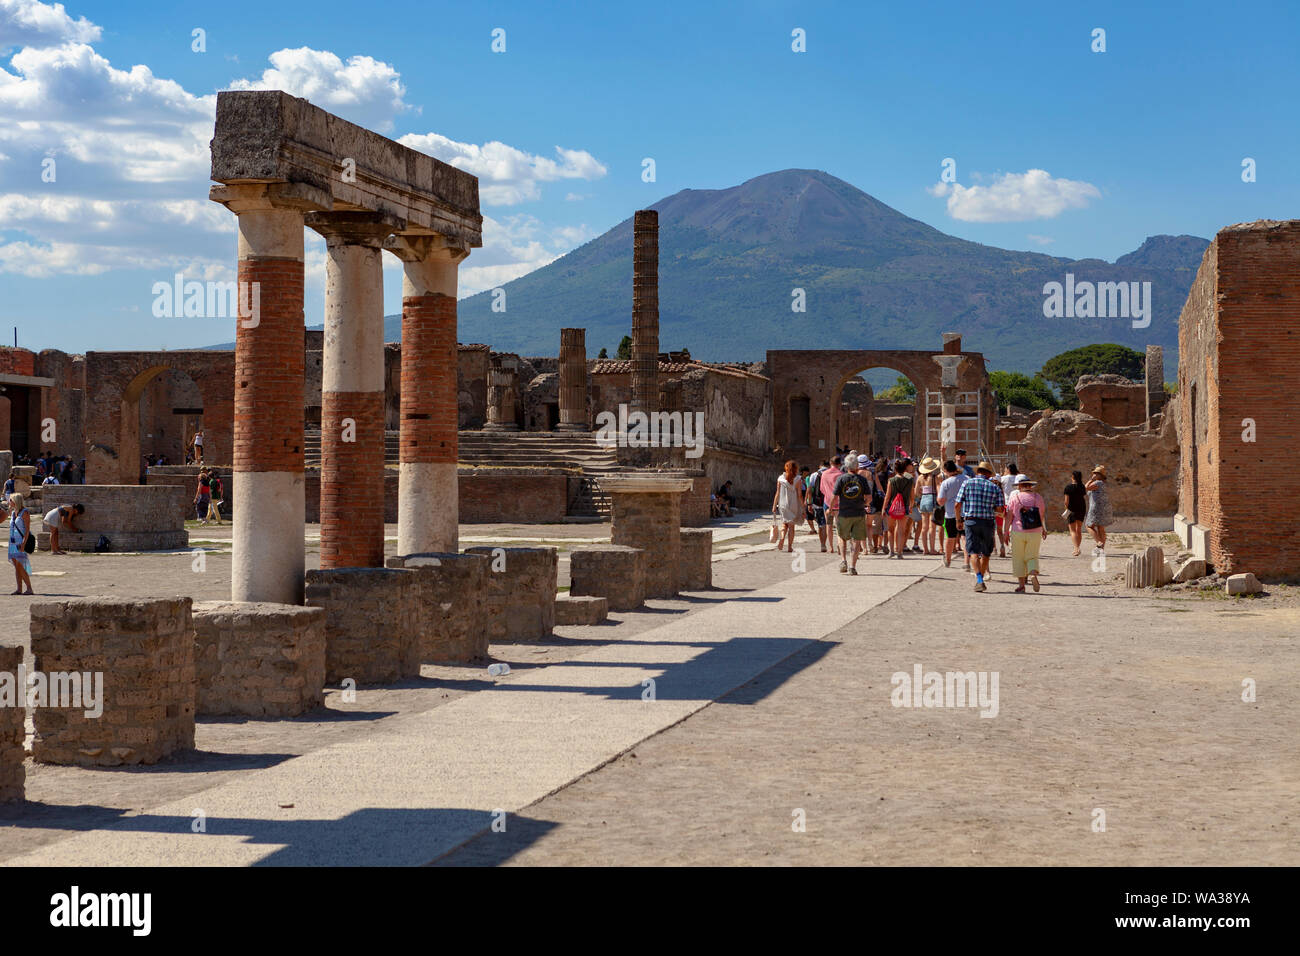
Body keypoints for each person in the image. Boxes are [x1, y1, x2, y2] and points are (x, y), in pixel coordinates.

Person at [954, 460, 1005, 592]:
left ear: (978, 472)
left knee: (973, 552)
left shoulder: (967, 483)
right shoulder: (994, 487)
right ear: (988, 474)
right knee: (986, 552)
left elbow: (957, 504)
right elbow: (1000, 509)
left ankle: (979, 579)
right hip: (988, 522)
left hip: (971, 521)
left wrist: (958, 520)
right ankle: (981, 578)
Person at [1006, 475, 1047, 593]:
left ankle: (1021, 585)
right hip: (1035, 531)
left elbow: (1009, 516)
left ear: (1020, 486)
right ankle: (1033, 574)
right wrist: (1044, 529)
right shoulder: (1038, 497)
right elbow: (1042, 515)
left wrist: (1005, 532)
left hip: (1017, 531)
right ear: (1030, 486)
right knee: (1032, 555)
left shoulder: (1015, 497)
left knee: (1018, 557)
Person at [832, 455, 871, 575]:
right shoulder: (862, 479)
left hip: (844, 512)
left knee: (842, 537)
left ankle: (843, 560)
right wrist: (864, 503)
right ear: (857, 466)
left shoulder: (841, 479)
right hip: (858, 513)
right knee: (856, 540)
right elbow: (869, 498)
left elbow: (834, 496)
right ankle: (852, 567)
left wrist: (830, 508)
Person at [936, 459, 969, 570]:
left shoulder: (946, 483)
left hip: (950, 513)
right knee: (964, 537)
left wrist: (939, 489)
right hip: (965, 512)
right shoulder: (966, 479)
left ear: (946, 471)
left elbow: (940, 501)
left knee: (950, 538)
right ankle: (966, 562)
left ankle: (948, 559)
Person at [883, 459, 916, 560]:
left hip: (892, 507)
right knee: (901, 530)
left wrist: (883, 508)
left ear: (895, 470)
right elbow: (912, 496)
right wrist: (911, 506)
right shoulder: (910, 480)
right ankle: (900, 552)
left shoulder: (891, 481)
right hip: (904, 506)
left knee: (891, 529)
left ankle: (892, 551)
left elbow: (887, 497)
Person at [772, 460, 803, 553]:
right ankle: (789, 546)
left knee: (784, 524)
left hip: (783, 504)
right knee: (792, 526)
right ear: (796, 469)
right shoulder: (798, 479)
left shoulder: (780, 478)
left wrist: (774, 505)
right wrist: (803, 507)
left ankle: (782, 539)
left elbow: (777, 493)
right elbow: (800, 495)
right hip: (793, 504)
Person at [7, 493, 34, 596]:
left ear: (15, 501)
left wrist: (23, 543)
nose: (9, 502)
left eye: (10, 500)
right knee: (16, 566)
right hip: (13, 542)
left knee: (20, 566)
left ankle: (29, 588)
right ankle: (19, 589)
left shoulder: (25, 512)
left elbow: (27, 530)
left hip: (20, 542)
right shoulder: (14, 512)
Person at [820, 455, 845, 559]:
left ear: (830, 463)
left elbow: (822, 489)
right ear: (840, 464)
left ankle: (831, 547)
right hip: (840, 504)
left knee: (829, 525)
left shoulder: (824, 474)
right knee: (839, 526)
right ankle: (840, 545)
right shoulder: (842, 475)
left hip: (828, 502)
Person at [1085, 464, 1112, 552]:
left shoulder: (1097, 483)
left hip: (1096, 508)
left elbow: (1086, 487)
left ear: (1100, 475)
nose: (1094, 475)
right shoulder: (1104, 483)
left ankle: (1099, 542)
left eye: (1096, 473)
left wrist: (1091, 479)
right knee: (1101, 528)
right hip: (1104, 507)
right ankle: (1101, 549)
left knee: (1089, 526)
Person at [917, 457, 941, 555]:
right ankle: (932, 549)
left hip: (923, 499)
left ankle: (925, 549)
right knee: (932, 526)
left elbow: (916, 492)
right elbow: (939, 490)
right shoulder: (934, 477)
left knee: (924, 527)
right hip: (932, 499)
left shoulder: (920, 478)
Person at [996, 462, 1020, 558]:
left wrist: (1002, 474)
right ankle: (1013, 546)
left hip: (1007, 504)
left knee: (1007, 524)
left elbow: (998, 481)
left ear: (1008, 469)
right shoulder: (1019, 477)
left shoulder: (1004, 478)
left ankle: (1010, 545)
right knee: (1015, 525)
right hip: (1018, 504)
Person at [1062, 470, 1088, 556]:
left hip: (1071, 510)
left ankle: (1076, 548)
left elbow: (1066, 501)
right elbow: (1082, 498)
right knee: (1079, 529)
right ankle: (1077, 548)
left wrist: (1067, 509)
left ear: (1072, 477)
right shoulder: (1082, 487)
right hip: (1081, 509)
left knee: (1072, 531)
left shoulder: (1068, 487)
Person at [806, 460, 829, 552]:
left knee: (821, 525)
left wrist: (809, 503)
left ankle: (822, 545)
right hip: (829, 503)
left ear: (820, 465)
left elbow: (810, 490)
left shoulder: (814, 475)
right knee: (828, 524)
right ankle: (830, 544)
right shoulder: (831, 473)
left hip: (817, 503)